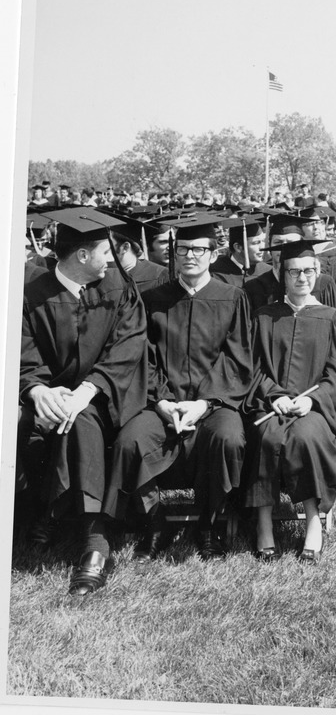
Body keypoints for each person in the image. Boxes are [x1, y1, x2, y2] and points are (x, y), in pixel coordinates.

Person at [106, 213, 254, 561]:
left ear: (212, 254)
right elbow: (145, 357)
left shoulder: (232, 298)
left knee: (228, 439)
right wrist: (163, 402)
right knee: (130, 441)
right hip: (163, 403)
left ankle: (210, 525)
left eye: (199, 249)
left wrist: (205, 403)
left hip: (215, 404)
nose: (190, 256)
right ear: (174, 254)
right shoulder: (154, 299)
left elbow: (238, 358)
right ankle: (154, 521)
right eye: (183, 249)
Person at [18, 208, 148, 595]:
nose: (112, 258)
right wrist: (37, 389)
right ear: (81, 256)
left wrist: (88, 389)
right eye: (105, 252)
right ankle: (40, 512)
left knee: (83, 419)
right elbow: (21, 352)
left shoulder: (118, 290)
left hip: (106, 397)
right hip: (47, 397)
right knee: (31, 421)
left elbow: (128, 347)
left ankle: (95, 541)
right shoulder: (31, 296)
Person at [244, 240, 336, 563]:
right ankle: (263, 525)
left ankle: (313, 522)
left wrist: (311, 403)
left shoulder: (332, 319)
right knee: (267, 435)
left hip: (315, 408)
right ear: (280, 274)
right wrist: (274, 396)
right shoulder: (263, 318)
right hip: (270, 405)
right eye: (294, 272)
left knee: (305, 436)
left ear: (317, 273)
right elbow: (251, 369)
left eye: (309, 271)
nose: (302, 278)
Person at [243, 213, 336, 314]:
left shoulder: (323, 283)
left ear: (302, 242)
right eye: (278, 242)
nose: (284, 248)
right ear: (269, 245)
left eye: (291, 242)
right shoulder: (255, 287)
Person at [210, 216, 271, 288]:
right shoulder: (215, 273)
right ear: (238, 247)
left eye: (263, 241)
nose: (262, 247)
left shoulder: (268, 271)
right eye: (256, 243)